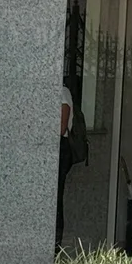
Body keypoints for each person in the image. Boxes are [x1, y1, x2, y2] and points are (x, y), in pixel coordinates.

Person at [57, 82, 75, 251]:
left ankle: (56, 245)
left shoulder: (62, 92)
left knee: (56, 198)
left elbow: (61, 128)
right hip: (55, 149)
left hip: (59, 149)